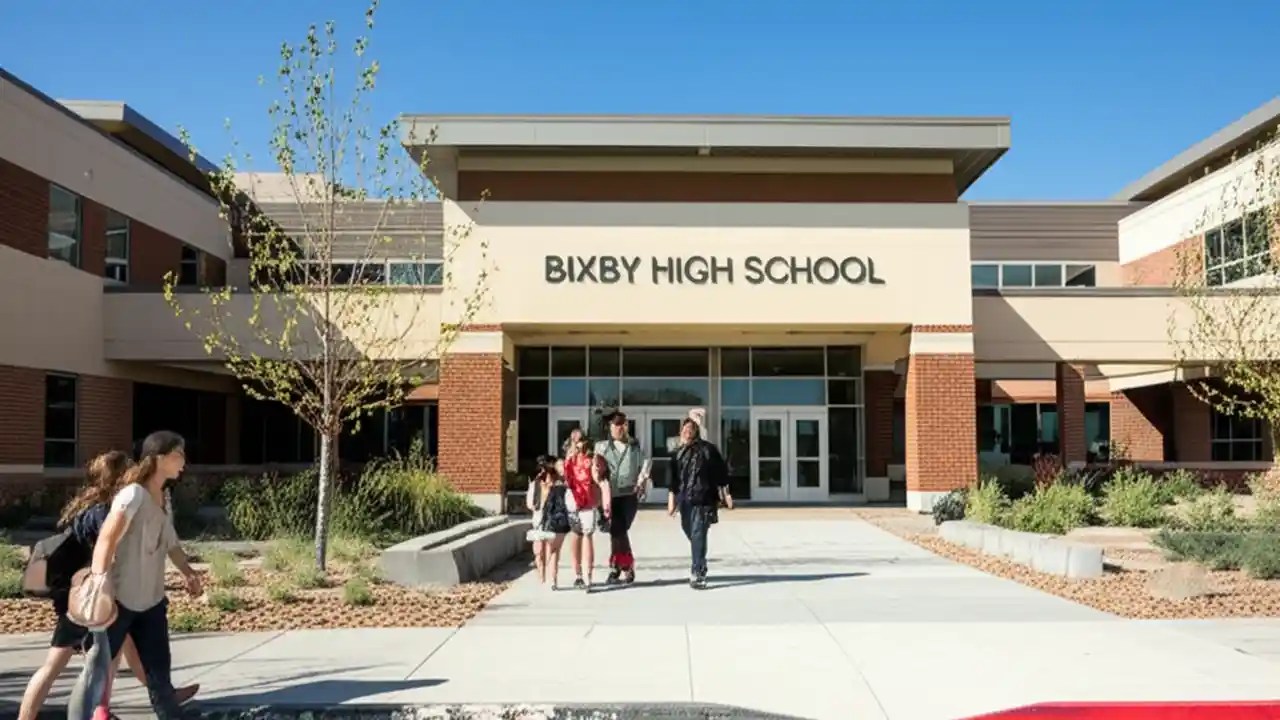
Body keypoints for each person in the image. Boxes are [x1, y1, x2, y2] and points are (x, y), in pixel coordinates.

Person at [19, 451, 199, 720]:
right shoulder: (109, 511)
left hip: (79, 594)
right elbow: (112, 553)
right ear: (120, 476)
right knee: (82, 660)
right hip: (91, 596)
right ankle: (100, 710)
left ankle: (143, 698)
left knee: (120, 648)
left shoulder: (87, 506)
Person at [79, 431, 204, 720]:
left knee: (159, 671)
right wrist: (100, 581)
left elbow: (171, 543)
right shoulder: (133, 494)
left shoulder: (164, 498)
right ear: (159, 458)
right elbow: (107, 539)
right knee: (97, 670)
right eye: (178, 454)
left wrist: (188, 573)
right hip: (120, 600)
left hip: (151, 600)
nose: (184, 460)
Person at [667, 417, 733, 589]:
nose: (688, 432)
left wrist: (726, 494)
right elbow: (673, 480)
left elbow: (721, 473)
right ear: (681, 431)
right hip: (685, 499)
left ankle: (698, 571)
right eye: (685, 429)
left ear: (696, 431)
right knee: (690, 531)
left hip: (704, 498)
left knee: (698, 533)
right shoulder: (677, 453)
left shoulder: (707, 450)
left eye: (691, 429)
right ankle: (700, 558)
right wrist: (671, 501)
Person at [593, 410, 649, 585]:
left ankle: (619, 566)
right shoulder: (601, 447)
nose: (619, 428)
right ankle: (623, 567)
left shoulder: (634, 446)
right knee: (617, 529)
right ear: (609, 427)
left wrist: (641, 481)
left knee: (620, 530)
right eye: (616, 425)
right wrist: (599, 481)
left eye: (622, 425)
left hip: (629, 494)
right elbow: (594, 469)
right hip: (610, 494)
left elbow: (646, 463)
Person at [563, 434, 609, 591]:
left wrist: (605, 498)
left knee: (588, 535)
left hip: (588, 501)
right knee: (576, 536)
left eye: (580, 439)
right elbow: (567, 480)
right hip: (573, 502)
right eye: (574, 440)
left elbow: (598, 478)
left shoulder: (591, 459)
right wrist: (568, 461)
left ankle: (589, 576)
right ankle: (578, 575)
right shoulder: (569, 460)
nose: (578, 443)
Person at [526, 454, 572, 589]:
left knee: (553, 550)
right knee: (538, 552)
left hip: (553, 520)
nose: (543, 472)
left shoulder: (558, 485)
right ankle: (542, 575)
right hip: (539, 520)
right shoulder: (535, 484)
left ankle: (553, 580)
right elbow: (531, 503)